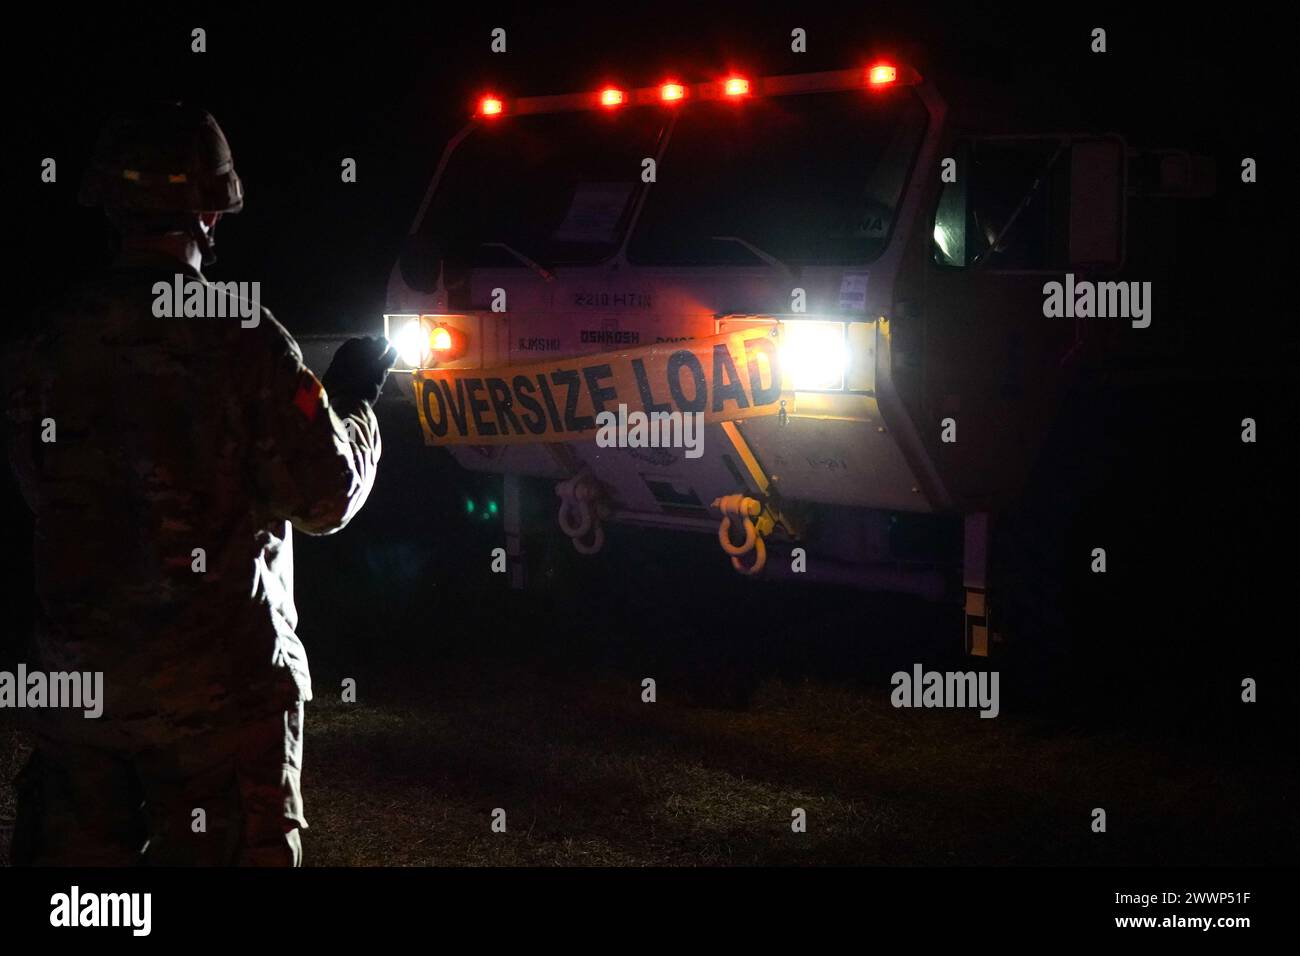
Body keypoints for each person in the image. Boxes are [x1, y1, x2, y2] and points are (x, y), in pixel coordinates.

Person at [3, 102, 397, 865]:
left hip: (78, 697)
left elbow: (37, 488)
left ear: (109, 206)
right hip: (223, 707)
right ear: (212, 211)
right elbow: (324, 497)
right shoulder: (240, 333)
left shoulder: (41, 344)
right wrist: (351, 403)